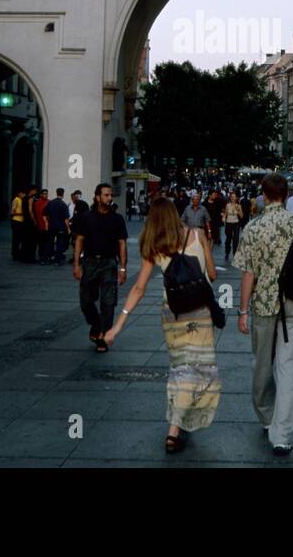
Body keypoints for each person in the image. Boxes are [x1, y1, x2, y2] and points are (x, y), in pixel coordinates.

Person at [104, 197, 221, 453]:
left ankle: (176, 426)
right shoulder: (197, 234)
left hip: (173, 314)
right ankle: (176, 427)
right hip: (200, 312)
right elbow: (212, 274)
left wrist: (117, 325)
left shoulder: (156, 246)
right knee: (199, 369)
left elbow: (138, 289)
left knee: (180, 367)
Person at [235, 172, 293, 456]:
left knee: (262, 364)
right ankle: (282, 434)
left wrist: (242, 310)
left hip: (263, 303)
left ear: (263, 195)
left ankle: (266, 416)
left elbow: (248, 273)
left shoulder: (253, 227)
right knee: (288, 368)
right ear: (286, 195)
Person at [73, 182, 129, 352]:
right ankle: (96, 324)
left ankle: (103, 336)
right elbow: (79, 241)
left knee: (108, 302)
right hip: (89, 262)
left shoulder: (117, 219)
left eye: (110, 195)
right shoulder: (87, 217)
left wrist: (123, 268)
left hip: (109, 263)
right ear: (98, 197)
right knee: (86, 301)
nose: (109, 198)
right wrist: (76, 264)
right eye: (106, 195)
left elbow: (122, 244)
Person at [44, 187, 71, 265]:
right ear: (63, 194)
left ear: (56, 193)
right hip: (61, 227)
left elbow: (44, 214)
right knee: (59, 244)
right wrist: (68, 228)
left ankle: (45, 259)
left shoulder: (50, 203)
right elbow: (66, 219)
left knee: (49, 243)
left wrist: (46, 223)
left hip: (51, 226)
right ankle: (57, 261)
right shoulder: (64, 205)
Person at [222, 191, 244, 261]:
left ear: (237, 198)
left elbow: (242, 216)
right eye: (232, 197)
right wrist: (224, 218)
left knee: (236, 240)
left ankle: (235, 254)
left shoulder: (239, 206)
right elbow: (225, 214)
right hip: (228, 223)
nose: (233, 198)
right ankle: (227, 253)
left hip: (236, 223)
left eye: (234, 197)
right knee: (228, 239)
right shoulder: (227, 205)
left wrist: (238, 210)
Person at [11, 188, 30, 263]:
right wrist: (22, 214)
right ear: (19, 193)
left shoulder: (21, 200)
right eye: (23, 193)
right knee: (16, 239)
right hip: (16, 220)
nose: (24, 195)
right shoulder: (16, 200)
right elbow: (12, 212)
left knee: (19, 238)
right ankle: (15, 254)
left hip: (21, 221)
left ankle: (18, 253)